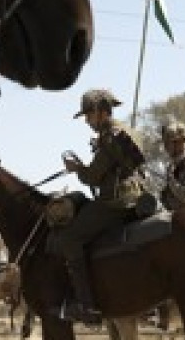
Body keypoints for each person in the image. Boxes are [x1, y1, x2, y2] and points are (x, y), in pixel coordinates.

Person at [51, 88, 147, 324]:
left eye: (88, 115)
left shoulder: (110, 136)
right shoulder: (129, 131)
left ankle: (87, 305)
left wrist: (76, 168)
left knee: (69, 238)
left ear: (100, 112)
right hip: (138, 196)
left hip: (115, 202)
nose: (87, 121)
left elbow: (93, 177)